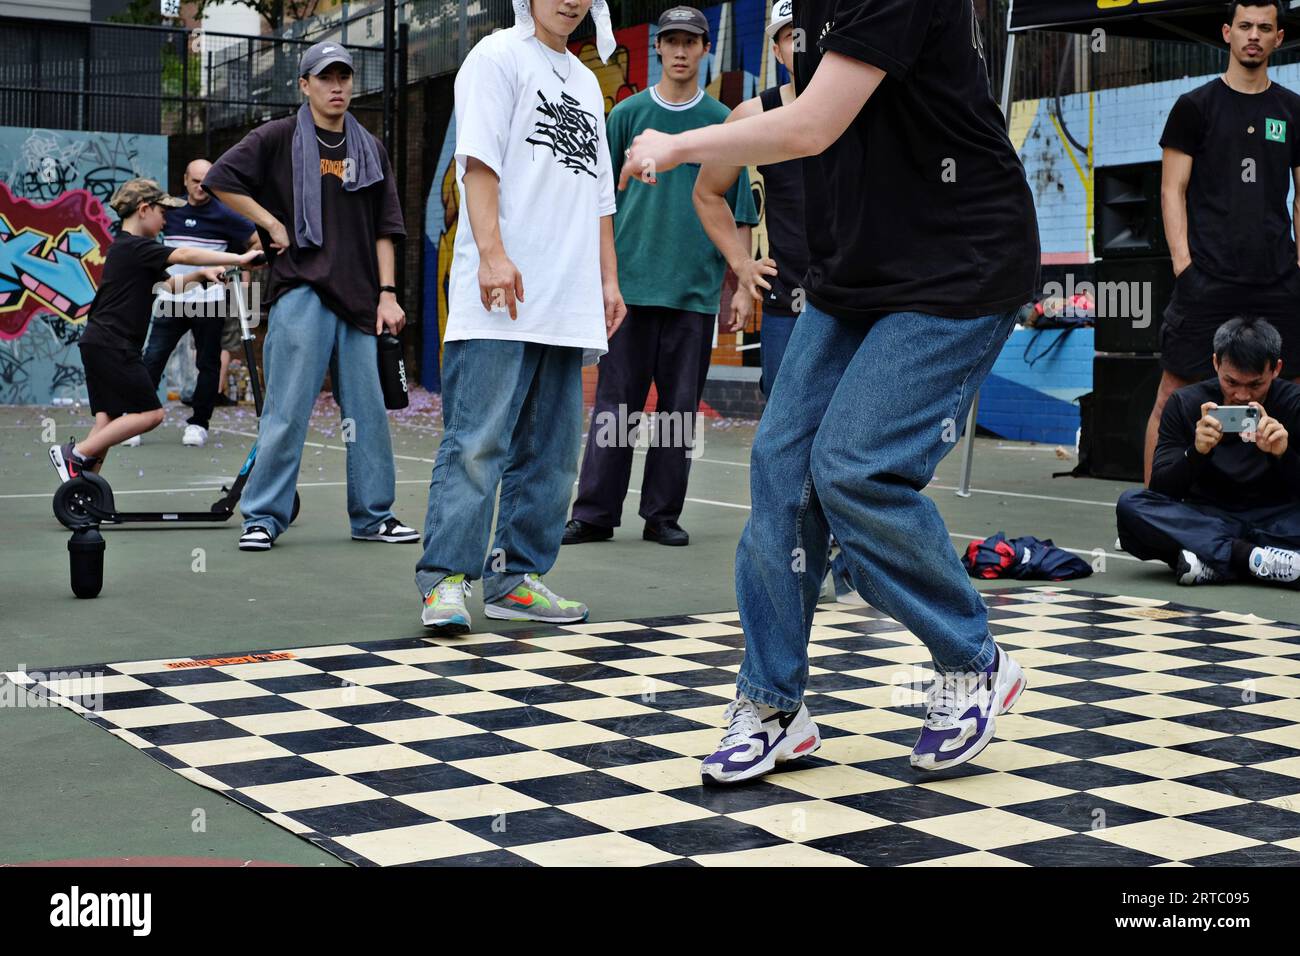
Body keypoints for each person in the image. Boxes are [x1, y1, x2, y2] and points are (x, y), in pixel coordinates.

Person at [619, 0, 1039, 782]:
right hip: (857, 276)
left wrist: (678, 143)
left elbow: (811, 126)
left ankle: (973, 660)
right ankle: (773, 704)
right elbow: (795, 114)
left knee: (852, 470)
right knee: (781, 470)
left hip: (959, 269)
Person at [414, 0, 626, 632]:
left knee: (553, 454)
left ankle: (515, 578)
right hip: (500, 294)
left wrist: (608, 280)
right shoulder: (496, 56)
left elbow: (599, 196)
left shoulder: (585, 79)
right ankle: (446, 579)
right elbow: (478, 163)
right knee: (477, 443)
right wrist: (493, 255)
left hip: (565, 297)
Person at [203, 41, 419, 552]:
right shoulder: (278, 137)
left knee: (367, 415)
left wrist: (388, 295)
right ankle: (262, 517)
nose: (336, 86)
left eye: (344, 77)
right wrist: (271, 222)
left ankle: (374, 516)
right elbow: (219, 179)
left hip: (361, 298)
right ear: (305, 85)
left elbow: (386, 228)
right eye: (325, 78)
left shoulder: (370, 148)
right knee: (286, 410)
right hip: (301, 289)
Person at [562, 5, 759, 549]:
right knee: (615, 409)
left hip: (693, 293)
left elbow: (740, 212)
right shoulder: (626, 116)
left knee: (678, 414)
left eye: (690, 42)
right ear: (658, 47)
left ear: (704, 50)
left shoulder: (723, 122)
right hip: (629, 290)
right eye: (671, 40)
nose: (679, 51)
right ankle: (595, 513)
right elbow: (597, 201)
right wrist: (601, 276)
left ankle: (662, 515)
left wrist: (742, 286)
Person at [1150, 0, 1300, 483]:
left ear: (1278, 38)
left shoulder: (1292, 110)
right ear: (1226, 33)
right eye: (1245, 26)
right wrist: (1184, 268)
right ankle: (1151, 510)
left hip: (1278, 280)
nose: (1254, 35)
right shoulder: (1194, 107)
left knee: (1292, 398)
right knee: (1172, 397)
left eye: (1264, 27)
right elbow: (1172, 190)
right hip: (1208, 280)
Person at [48, 179, 259, 481]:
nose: (165, 220)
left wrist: (201, 275)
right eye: (162, 212)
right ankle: (75, 453)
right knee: (151, 414)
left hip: (99, 343)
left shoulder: (130, 250)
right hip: (114, 344)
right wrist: (238, 258)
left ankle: (83, 488)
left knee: (107, 423)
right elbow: (184, 255)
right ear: (144, 210)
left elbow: (168, 286)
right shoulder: (136, 247)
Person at [1119, 317, 1300, 588]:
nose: (1241, 395)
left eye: (1255, 385)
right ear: (1215, 363)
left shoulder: (1294, 403)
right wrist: (1196, 452)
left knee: (1176, 533)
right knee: (1131, 505)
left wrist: (1284, 455)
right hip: (1208, 517)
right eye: (1231, 382)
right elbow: (1160, 489)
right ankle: (1251, 558)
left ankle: (1215, 562)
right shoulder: (1185, 402)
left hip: (1274, 519)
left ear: (1276, 369)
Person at [140, 158, 258, 448]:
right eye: (195, 181)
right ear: (185, 180)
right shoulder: (170, 210)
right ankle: (136, 419)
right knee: (152, 359)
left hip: (210, 300)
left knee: (208, 363)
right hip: (172, 297)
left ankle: (198, 424)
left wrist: (237, 268)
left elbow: (256, 241)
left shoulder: (226, 213)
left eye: (206, 181)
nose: (201, 186)